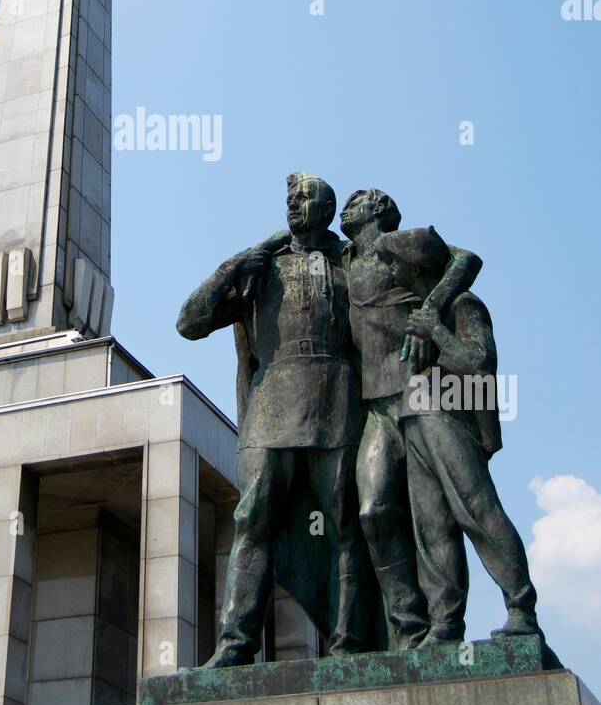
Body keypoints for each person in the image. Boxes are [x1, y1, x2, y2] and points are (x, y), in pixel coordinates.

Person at [177, 174, 375, 665]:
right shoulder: (260, 266)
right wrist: (231, 266)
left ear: (328, 209)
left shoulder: (350, 261)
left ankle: (351, 642)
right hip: (273, 401)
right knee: (252, 519)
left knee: (346, 518)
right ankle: (235, 643)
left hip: (338, 398)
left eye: (305, 198)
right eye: (289, 199)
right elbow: (189, 322)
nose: (294, 204)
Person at [383, 226, 542, 642]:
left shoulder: (463, 304)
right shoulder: (421, 306)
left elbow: (478, 364)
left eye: (395, 260)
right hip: (415, 416)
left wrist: (435, 330)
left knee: (478, 510)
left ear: (414, 264)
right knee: (431, 525)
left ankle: (521, 606)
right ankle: (445, 623)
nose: (390, 268)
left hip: (451, 414)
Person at [339, 188, 482, 647]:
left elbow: (466, 259)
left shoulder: (401, 248)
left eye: (358, 199)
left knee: (440, 516)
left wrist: (431, 307)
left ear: (378, 210)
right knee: (374, 510)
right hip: (377, 405)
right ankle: (408, 626)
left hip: (420, 394)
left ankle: (447, 624)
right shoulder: (342, 260)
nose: (347, 205)